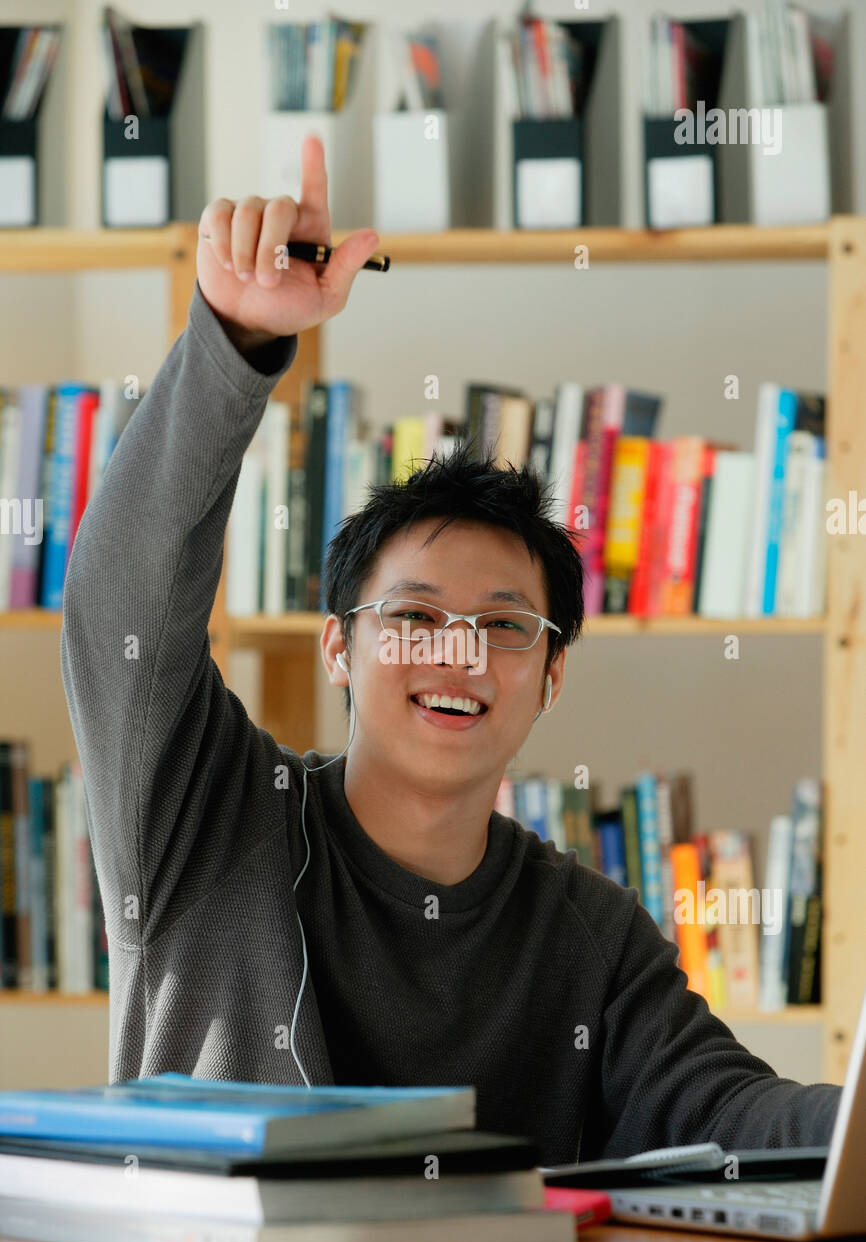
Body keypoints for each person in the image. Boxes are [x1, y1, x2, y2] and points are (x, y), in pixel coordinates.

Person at [61, 137, 840, 1165]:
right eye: (415, 617)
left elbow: (727, 1111)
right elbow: (122, 604)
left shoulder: (588, 932)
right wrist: (233, 343)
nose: (459, 653)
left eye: (505, 625)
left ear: (550, 674)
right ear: (339, 647)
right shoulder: (205, 813)